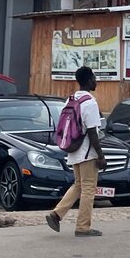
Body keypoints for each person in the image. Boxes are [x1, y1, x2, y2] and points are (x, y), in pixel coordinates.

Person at [46, 66, 107, 238]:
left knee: (78, 185)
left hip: (73, 149)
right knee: (88, 188)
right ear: (89, 80)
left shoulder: (71, 100)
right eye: (94, 78)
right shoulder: (90, 102)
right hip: (87, 152)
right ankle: (83, 227)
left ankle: (56, 214)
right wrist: (100, 155)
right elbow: (93, 132)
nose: (96, 81)